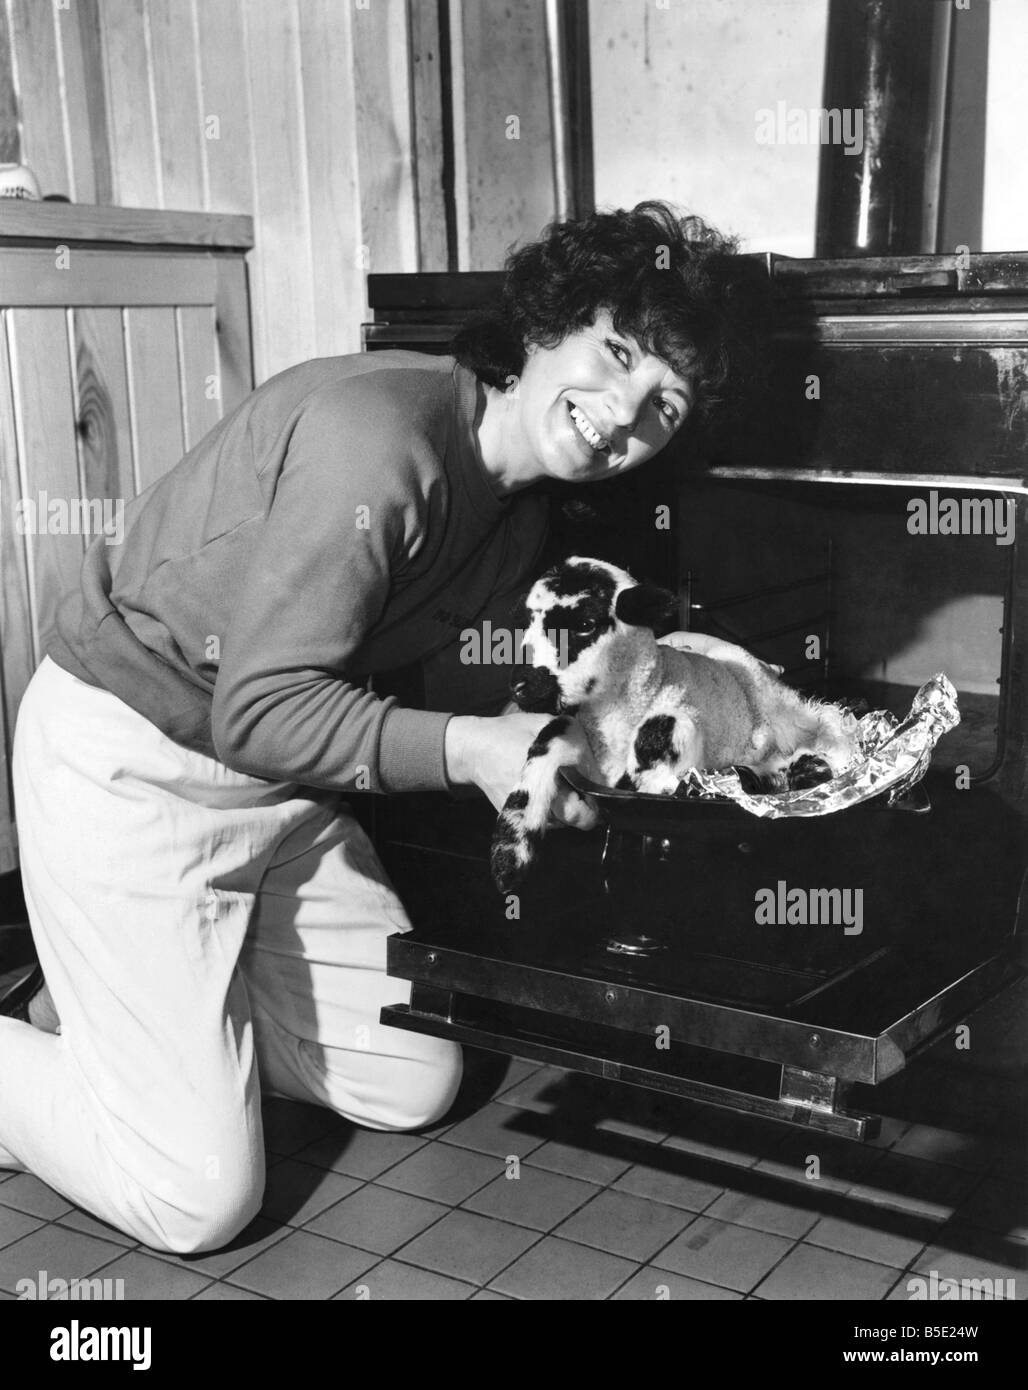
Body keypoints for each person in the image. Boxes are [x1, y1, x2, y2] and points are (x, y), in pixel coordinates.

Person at [0, 201, 737, 1253]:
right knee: (195, 1196)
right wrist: (469, 750)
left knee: (411, 1072)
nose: (623, 410)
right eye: (614, 352)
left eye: (662, 405)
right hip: (132, 766)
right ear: (542, 326)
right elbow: (259, 708)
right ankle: (81, 1048)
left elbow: (394, 695)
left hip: (279, 799)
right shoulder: (380, 439)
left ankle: (119, 1022)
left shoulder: (517, 508)